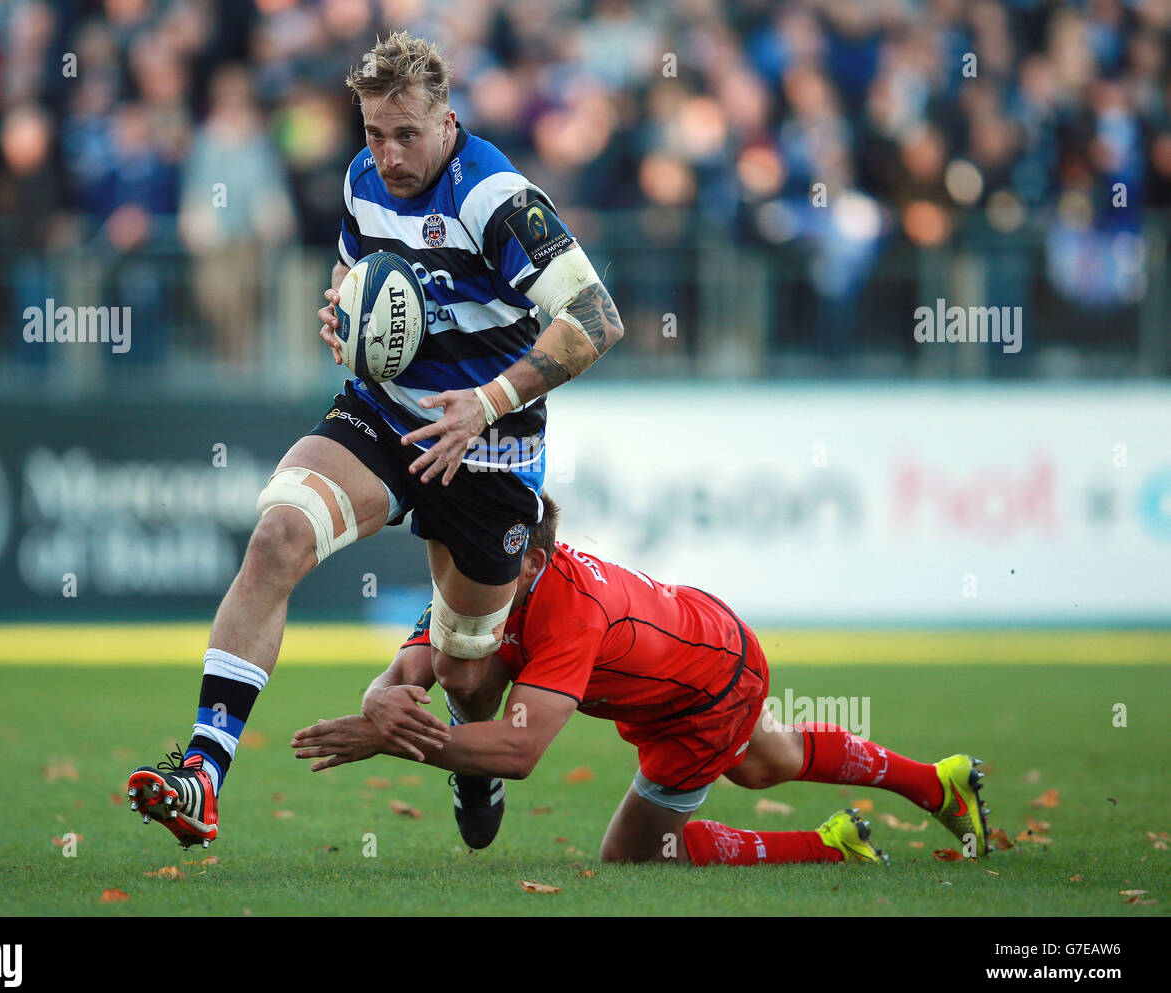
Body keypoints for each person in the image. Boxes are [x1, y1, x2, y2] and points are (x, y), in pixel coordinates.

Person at [126, 31, 624, 849]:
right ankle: (203, 774)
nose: (388, 155)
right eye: (372, 133)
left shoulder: (497, 198)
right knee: (277, 534)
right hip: (385, 416)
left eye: (406, 135)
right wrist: (343, 318)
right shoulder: (363, 180)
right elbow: (365, 288)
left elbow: (597, 318)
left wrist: (486, 403)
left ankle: (473, 765)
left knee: (466, 668)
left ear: (448, 119)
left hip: (488, 447)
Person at [289, 495, 992, 866]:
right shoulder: (483, 584)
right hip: (697, 636)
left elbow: (522, 750)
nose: (468, 567)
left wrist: (395, 739)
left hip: (706, 688)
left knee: (634, 853)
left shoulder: (570, 612)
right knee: (768, 762)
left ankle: (830, 844)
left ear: (532, 563)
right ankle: (936, 782)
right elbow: (404, 674)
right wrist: (381, 706)